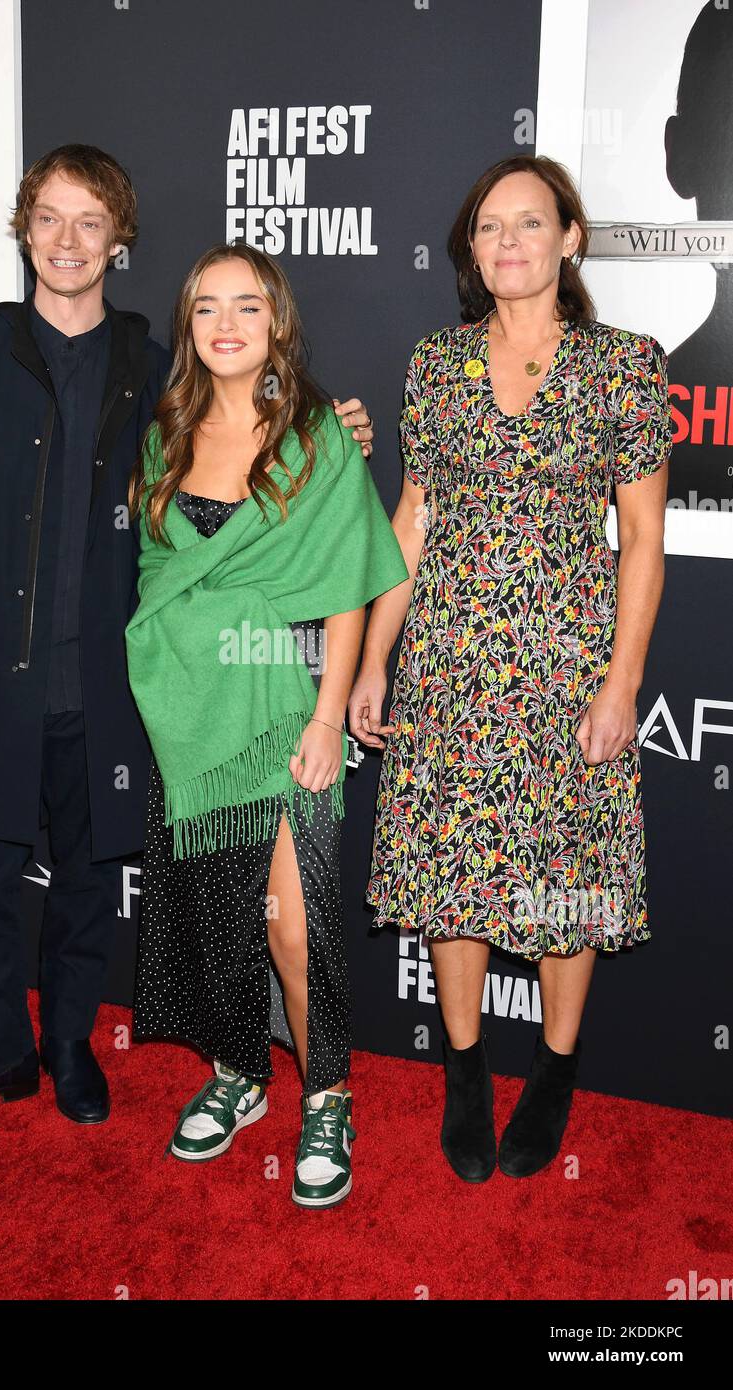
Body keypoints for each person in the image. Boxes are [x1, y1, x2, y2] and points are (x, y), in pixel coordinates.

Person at [0, 145, 375, 1132]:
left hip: (118, 688)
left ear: (118, 243)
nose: (68, 241)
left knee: (85, 880)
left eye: (90, 223)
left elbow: (255, 419)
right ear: (25, 230)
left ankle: (68, 1048)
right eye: (50, 219)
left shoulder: (157, 372)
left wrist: (331, 429)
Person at [350, 155, 672, 1183]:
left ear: (570, 238)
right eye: (490, 227)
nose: (508, 244)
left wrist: (622, 684)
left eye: (530, 224)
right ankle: (463, 1068)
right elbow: (412, 520)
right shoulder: (435, 364)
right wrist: (374, 658)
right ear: (471, 248)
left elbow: (645, 538)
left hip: (570, 667)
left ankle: (556, 1070)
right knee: (452, 873)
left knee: (564, 880)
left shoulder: (626, 365)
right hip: (449, 659)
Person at [126, 244, 408, 1208]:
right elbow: (159, 581)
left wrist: (330, 716)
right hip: (194, 715)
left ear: (277, 321)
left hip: (287, 706)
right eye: (205, 307)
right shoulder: (165, 432)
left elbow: (346, 583)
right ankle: (241, 1072)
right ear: (187, 327)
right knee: (221, 919)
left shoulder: (320, 435)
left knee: (295, 925)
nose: (227, 323)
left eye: (247, 304)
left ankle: (325, 1093)